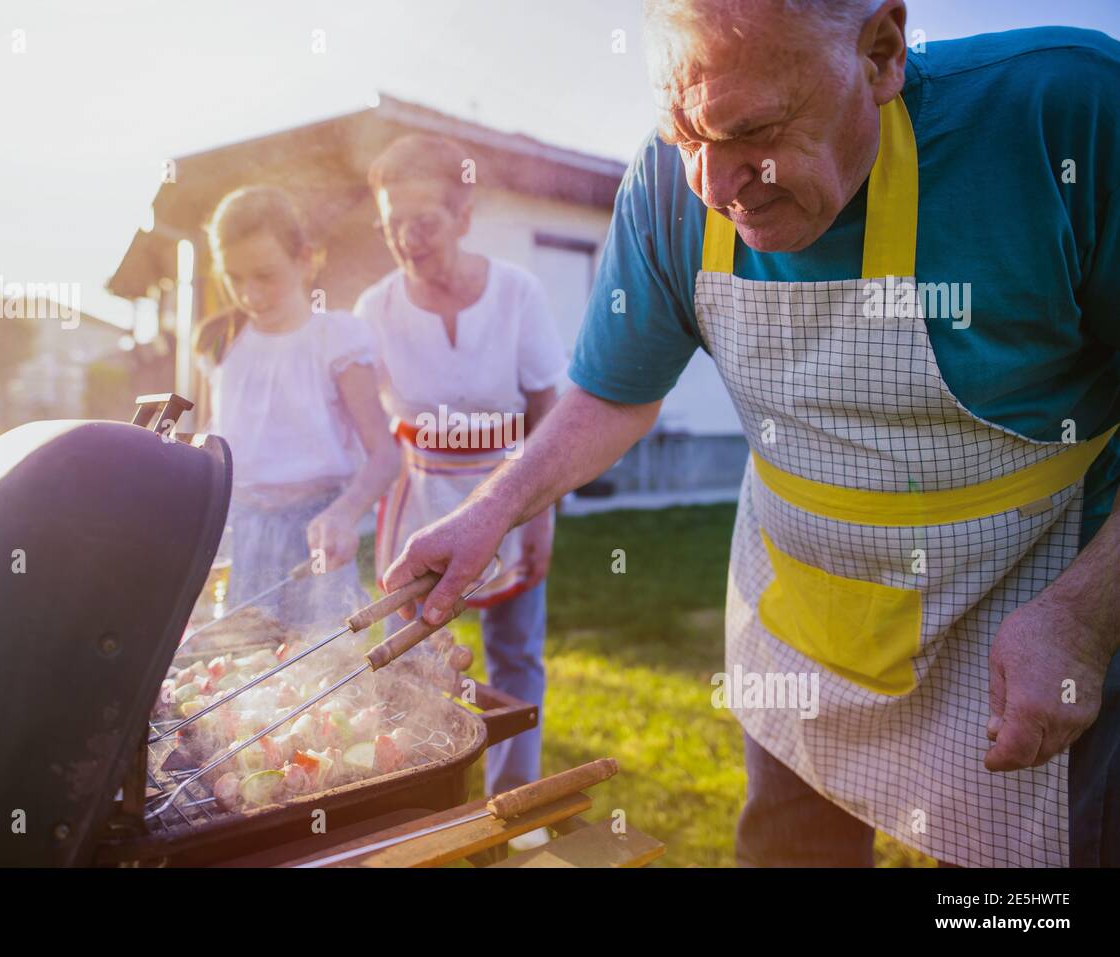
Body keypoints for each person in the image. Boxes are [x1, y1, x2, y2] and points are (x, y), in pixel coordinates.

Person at [379, 1, 1120, 868]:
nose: (715, 184)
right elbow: (613, 394)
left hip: (1029, 604)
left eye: (754, 132)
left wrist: (1083, 616)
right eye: (684, 134)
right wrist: (491, 508)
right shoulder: (668, 186)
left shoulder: (1067, 116)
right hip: (799, 617)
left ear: (881, 53)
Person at [354, 134, 568, 814]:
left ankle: (515, 806)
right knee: (406, 659)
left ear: (464, 216)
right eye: (392, 224)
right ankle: (407, 808)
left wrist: (540, 515)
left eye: (423, 221)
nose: (406, 240)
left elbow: (548, 409)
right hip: (418, 498)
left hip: (509, 491)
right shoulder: (374, 308)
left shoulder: (517, 293)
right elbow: (360, 425)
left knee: (516, 656)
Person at [194, 186, 399, 629]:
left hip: (317, 533)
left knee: (320, 660)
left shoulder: (337, 338)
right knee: (240, 662)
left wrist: (344, 513)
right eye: (234, 278)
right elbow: (209, 443)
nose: (249, 294)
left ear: (305, 259)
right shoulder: (219, 342)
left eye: (265, 275)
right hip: (236, 535)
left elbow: (385, 456)